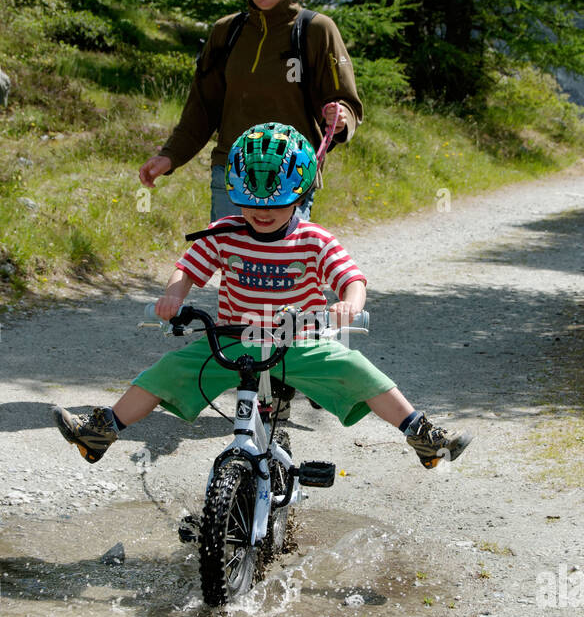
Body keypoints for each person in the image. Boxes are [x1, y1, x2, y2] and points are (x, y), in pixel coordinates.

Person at [55, 123, 473, 470]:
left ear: (301, 193)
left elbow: (351, 278)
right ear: (236, 191)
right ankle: (102, 430)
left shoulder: (313, 239)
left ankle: (420, 434)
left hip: (299, 337)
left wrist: (349, 305)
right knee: (167, 372)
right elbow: (188, 268)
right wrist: (173, 297)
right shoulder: (225, 232)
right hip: (235, 338)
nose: (263, 212)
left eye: (277, 203)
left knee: (357, 369)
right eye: (251, 203)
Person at [138, 0, 363, 221]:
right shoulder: (226, 32)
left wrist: (340, 119)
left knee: (281, 268)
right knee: (234, 266)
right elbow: (201, 110)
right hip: (231, 175)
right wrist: (170, 156)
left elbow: (345, 102)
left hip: (291, 177)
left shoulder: (317, 30)